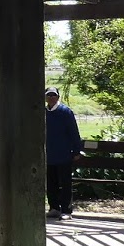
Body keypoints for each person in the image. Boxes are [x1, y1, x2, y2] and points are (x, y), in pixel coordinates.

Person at [44, 87, 83, 219]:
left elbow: (74, 132)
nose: (51, 98)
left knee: (65, 183)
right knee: (51, 183)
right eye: (48, 95)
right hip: (49, 155)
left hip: (64, 154)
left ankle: (66, 210)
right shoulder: (43, 112)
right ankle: (54, 207)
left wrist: (77, 150)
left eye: (53, 95)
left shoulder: (65, 112)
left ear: (58, 97)